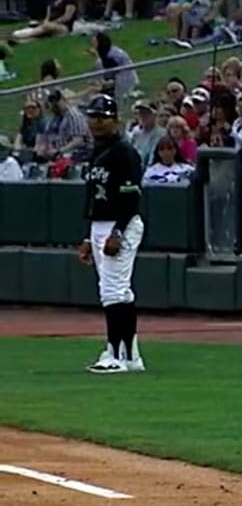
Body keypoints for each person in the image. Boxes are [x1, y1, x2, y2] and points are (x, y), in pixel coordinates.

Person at [76, 95, 147, 375]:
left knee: (113, 291)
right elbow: (93, 196)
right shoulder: (99, 151)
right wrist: (86, 236)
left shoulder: (124, 152)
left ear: (114, 119)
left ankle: (114, 354)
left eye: (101, 117)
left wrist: (118, 231)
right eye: (92, 117)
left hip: (121, 223)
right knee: (118, 291)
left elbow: (131, 196)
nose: (95, 122)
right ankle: (129, 356)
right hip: (100, 224)